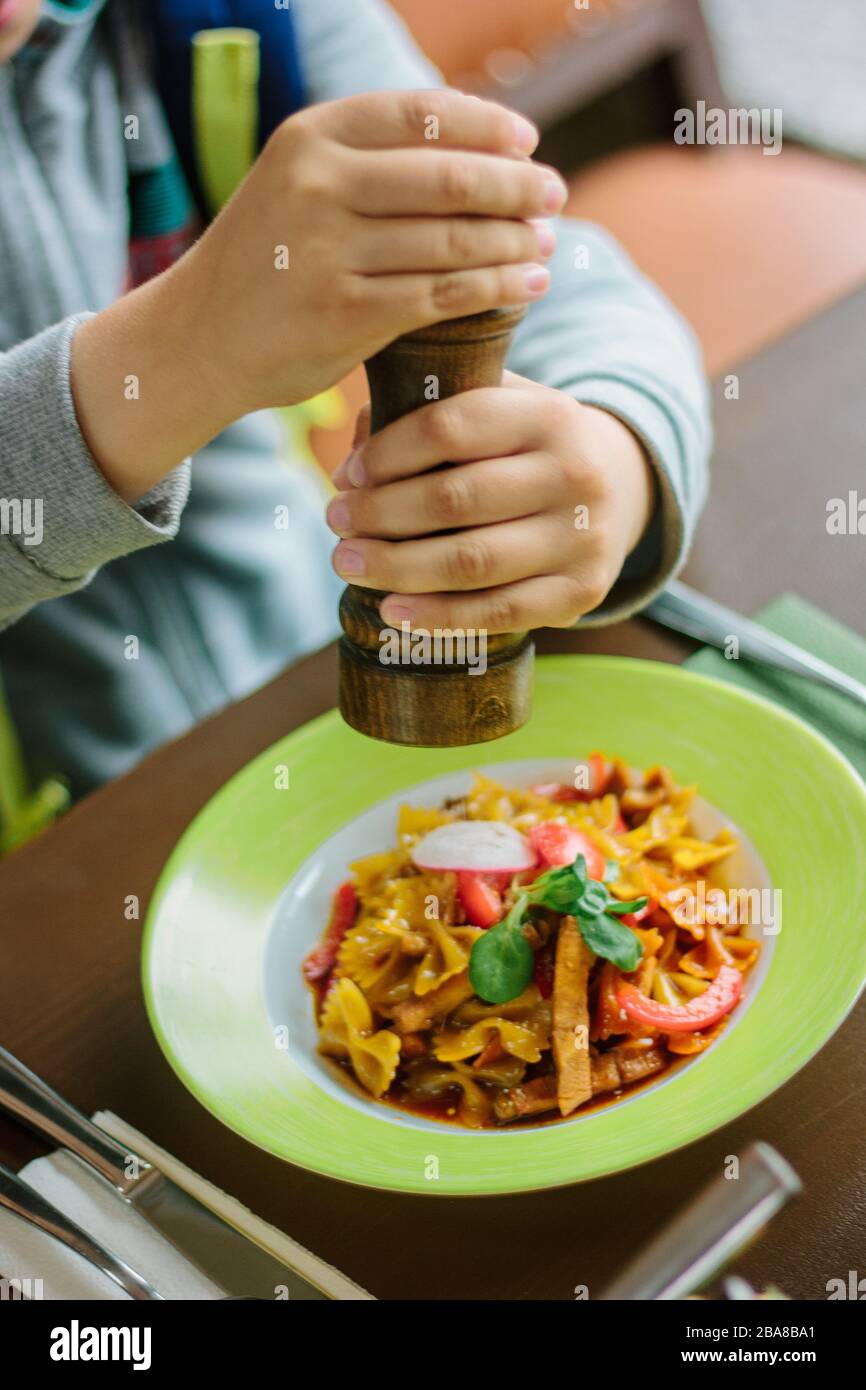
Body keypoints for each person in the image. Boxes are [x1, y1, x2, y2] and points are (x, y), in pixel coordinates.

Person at [0, 0, 710, 799]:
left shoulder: (255, 14)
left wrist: (618, 455)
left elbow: (563, 283)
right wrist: (180, 354)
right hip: (51, 827)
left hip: (309, 658)